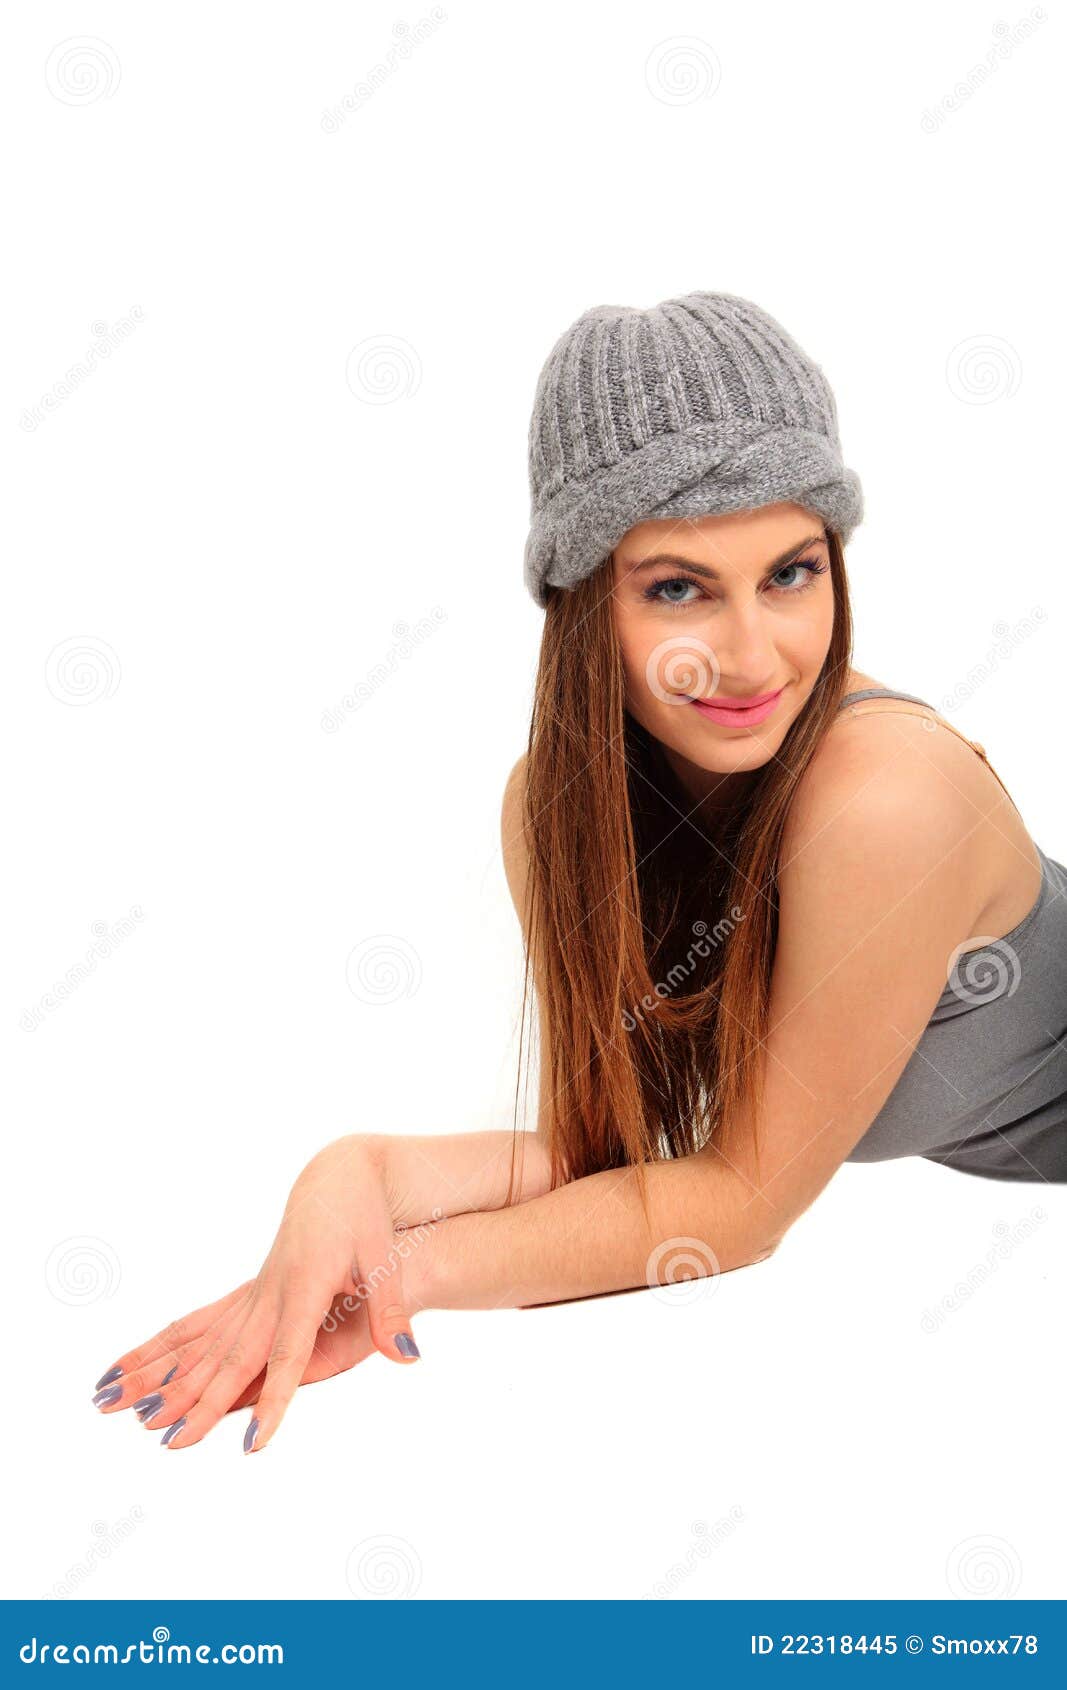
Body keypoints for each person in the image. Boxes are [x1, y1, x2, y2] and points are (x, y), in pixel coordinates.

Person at [90, 291, 1067, 1455]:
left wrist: (394, 1279)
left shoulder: (883, 799)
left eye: (790, 572)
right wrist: (356, 1175)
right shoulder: (553, 811)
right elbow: (621, 1153)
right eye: (675, 587)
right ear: (582, 598)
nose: (752, 655)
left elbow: (736, 1205)